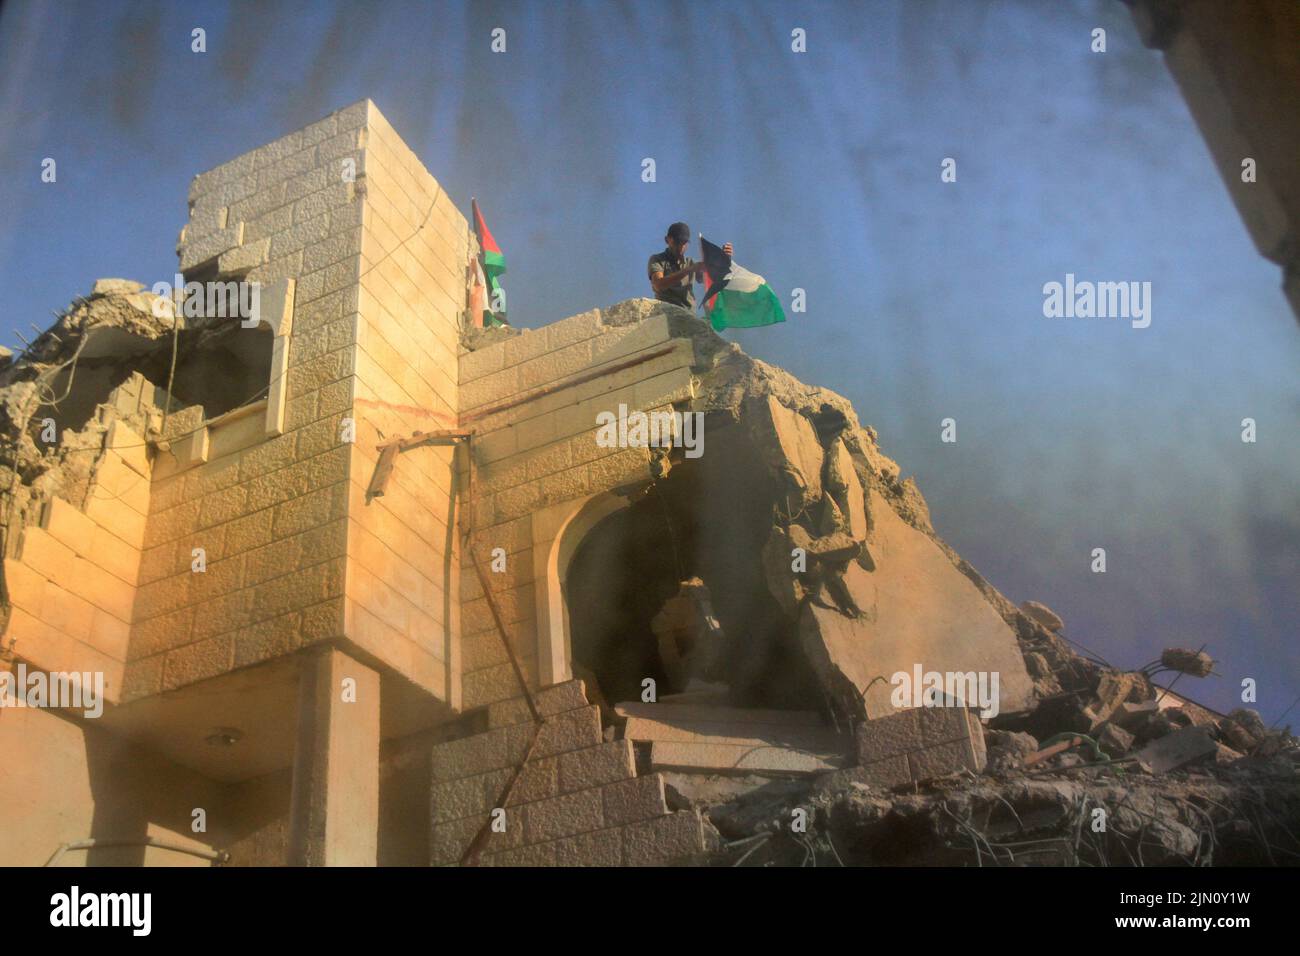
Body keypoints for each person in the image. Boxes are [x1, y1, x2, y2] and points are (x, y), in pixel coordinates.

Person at [648, 222, 732, 311]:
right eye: (677, 242)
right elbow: (658, 284)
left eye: (684, 243)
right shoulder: (657, 259)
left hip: (687, 316)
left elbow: (713, 278)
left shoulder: (691, 263)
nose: (680, 246)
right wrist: (689, 270)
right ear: (667, 240)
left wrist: (724, 259)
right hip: (666, 312)